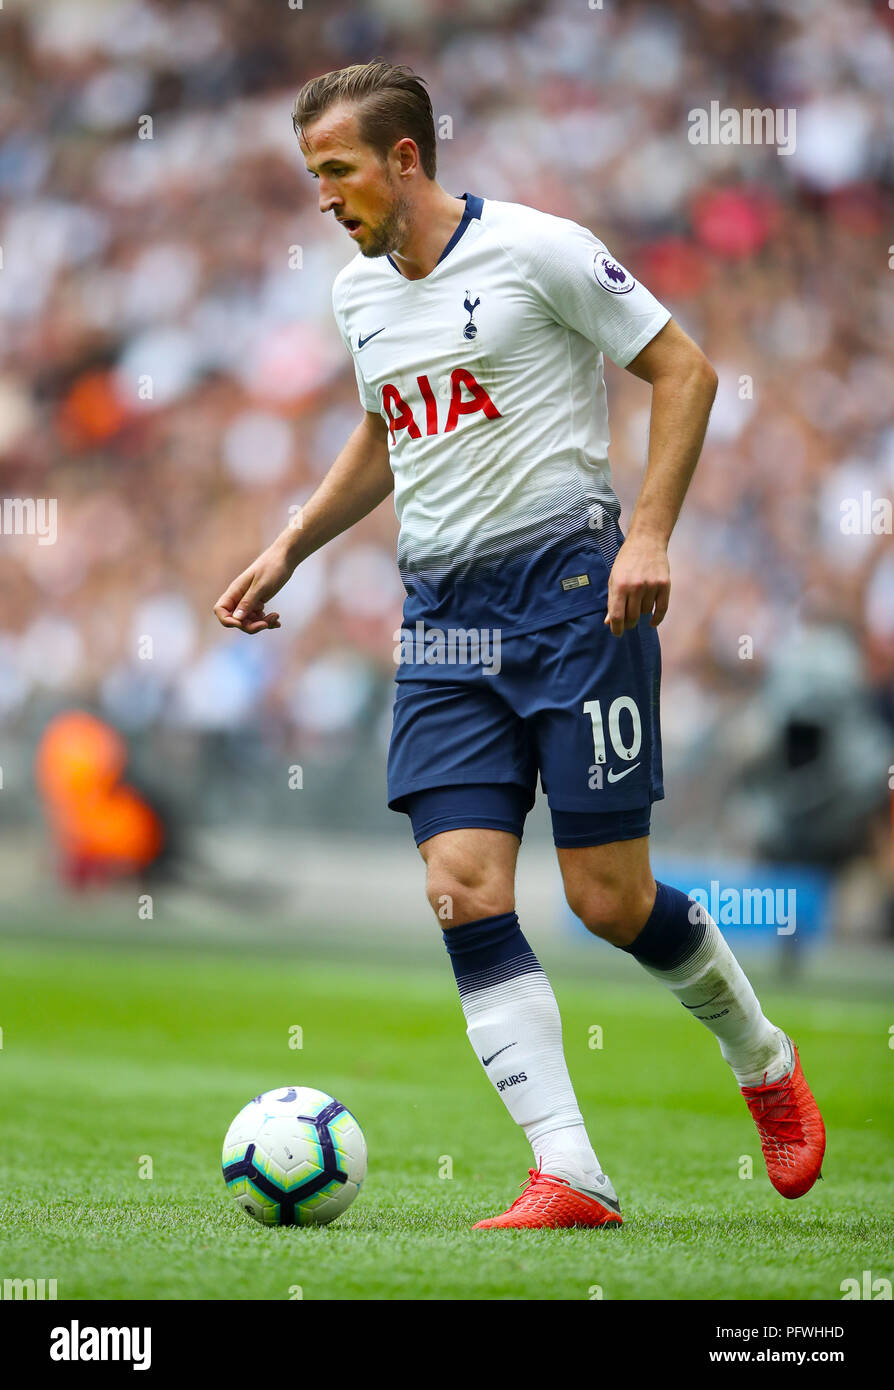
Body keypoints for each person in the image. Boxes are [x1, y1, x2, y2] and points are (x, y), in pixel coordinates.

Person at [214, 60, 825, 1229]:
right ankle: (570, 1170)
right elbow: (388, 431)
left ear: (404, 159)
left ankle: (764, 1063)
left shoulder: (540, 249)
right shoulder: (358, 295)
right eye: (311, 178)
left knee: (607, 898)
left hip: (575, 597)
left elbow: (684, 370)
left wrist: (649, 534)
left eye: (336, 171)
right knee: (460, 884)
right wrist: (291, 544)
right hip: (441, 620)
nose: (324, 197)